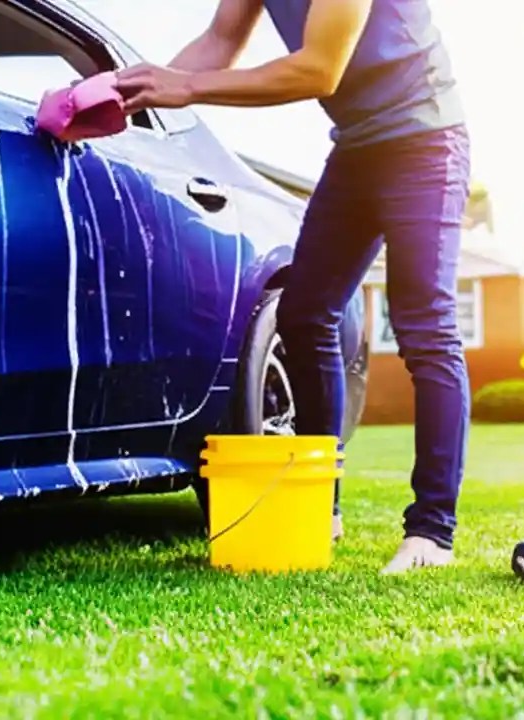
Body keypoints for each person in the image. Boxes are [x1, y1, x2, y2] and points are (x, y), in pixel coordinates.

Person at [116, 0, 470, 575]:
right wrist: (136, 97)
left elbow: (318, 70)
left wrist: (187, 89)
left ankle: (432, 529)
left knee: (424, 328)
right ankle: (316, 505)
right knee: (305, 313)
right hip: (359, 147)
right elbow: (219, 38)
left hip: (424, 142)